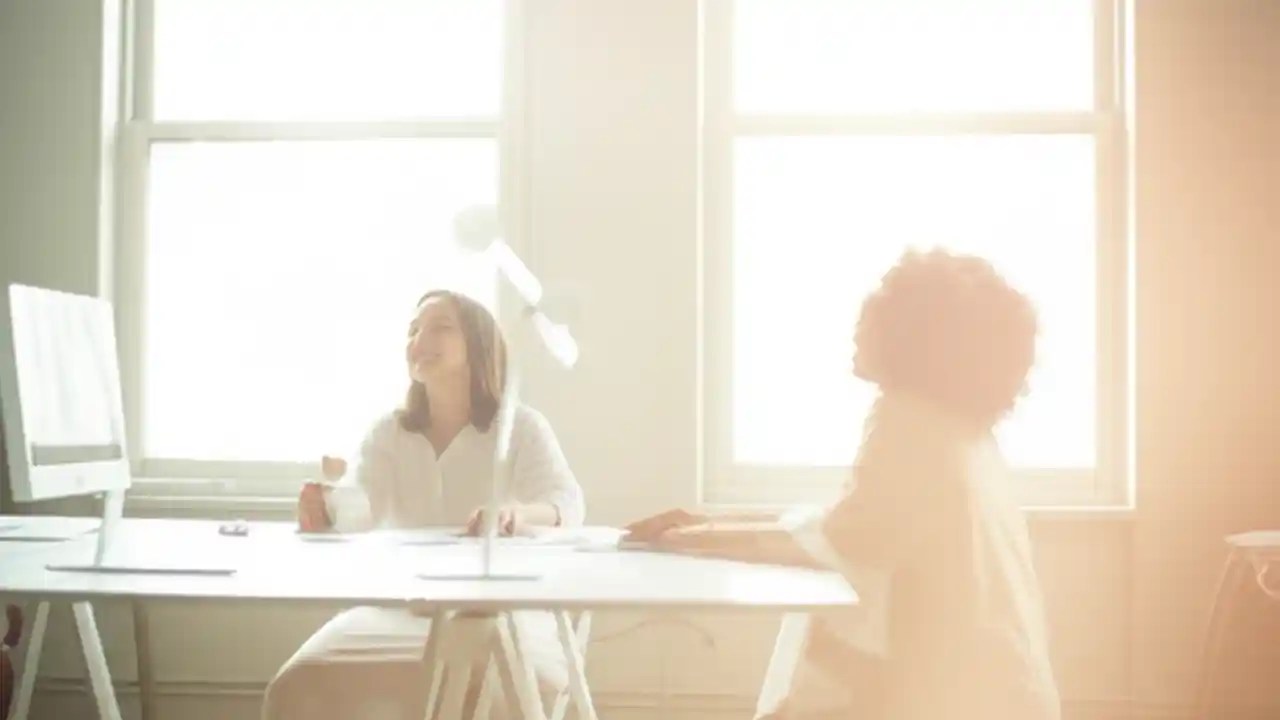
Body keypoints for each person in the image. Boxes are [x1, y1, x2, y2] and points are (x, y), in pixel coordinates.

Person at [626, 249, 1060, 720]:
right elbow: (853, 527)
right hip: (1004, 689)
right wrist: (709, 525)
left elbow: (851, 540)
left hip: (957, 697)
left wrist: (694, 538)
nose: (857, 328)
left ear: (915, 338)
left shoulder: (907, 419)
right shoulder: (964, 431)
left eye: (874, 314)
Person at [264, 289, 584, 720]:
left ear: (479, 344)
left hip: (504, 614)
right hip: (399, 610)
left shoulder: (521, 426)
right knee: (297, 684)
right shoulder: (388, 433)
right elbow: (361, 505)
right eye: (413, 330)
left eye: (440, 328)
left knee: (510, 685)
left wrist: (515, 514)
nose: (419, 340)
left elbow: (565, 503)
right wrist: (328, 507)